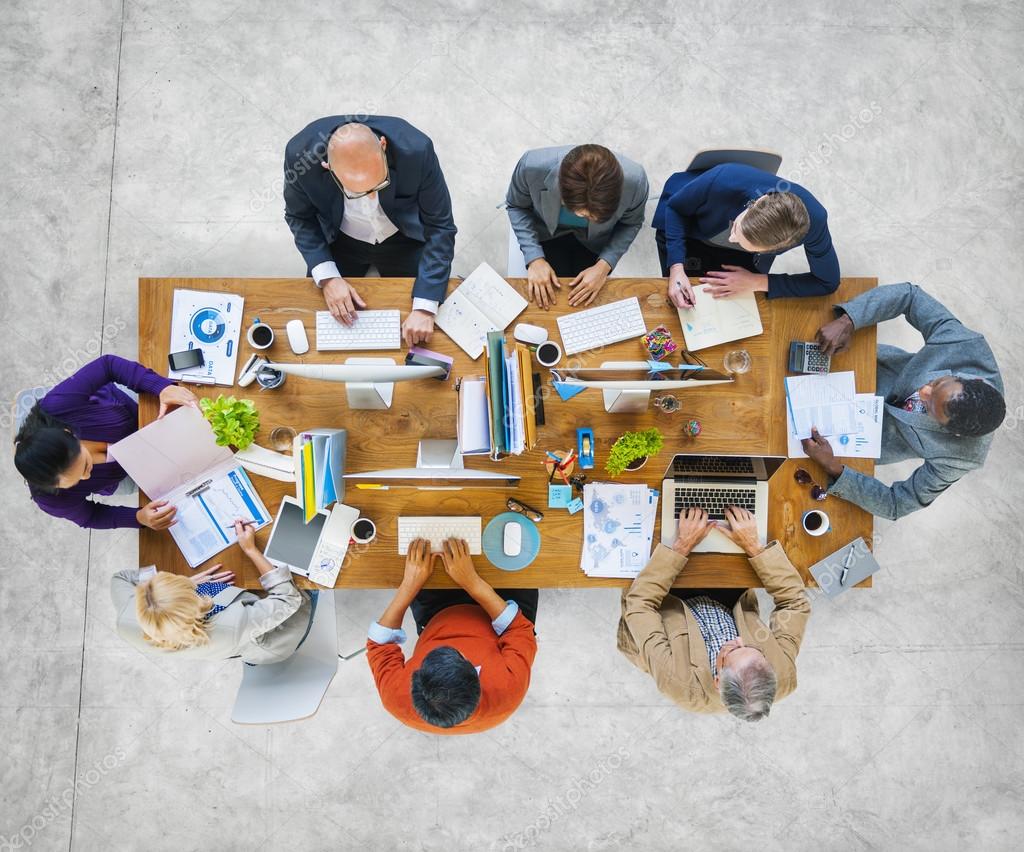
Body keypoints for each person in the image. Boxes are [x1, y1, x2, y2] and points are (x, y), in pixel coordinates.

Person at [803, 283, 1005, 520]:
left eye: (929, 408)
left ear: (954, 435)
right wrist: (849, 321)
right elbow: (910, 297)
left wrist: (834, 467)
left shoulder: (961, 458)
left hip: (850, 440)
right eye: (938, 382)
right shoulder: (968, 348)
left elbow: (896, 504)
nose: (923, 391)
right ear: (970, 377)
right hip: (864, 369)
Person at [617, 507, 810, 721]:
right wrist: (754, 547)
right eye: (754, 649)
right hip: (725, 600)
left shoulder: (679, 683)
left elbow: (640, 605)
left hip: (663, 604)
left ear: (718, 680)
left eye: (730, 652)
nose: (738, 640)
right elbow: (794, 603)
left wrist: (681, 547)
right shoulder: (782, 674)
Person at [283, 116, 457, 347]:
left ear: (383, 146)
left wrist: (425, 308)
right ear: (328, 167)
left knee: (427, 331)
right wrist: (328, 277)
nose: (372, 197)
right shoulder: (299, 157)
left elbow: (440, 227)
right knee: (320, 327)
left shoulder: (417, 150)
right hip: (340, 240)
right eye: (357, 192)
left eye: (380, 184)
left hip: (403, 239)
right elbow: (299, 217)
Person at [366, 538, 538, 734]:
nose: (452, 640)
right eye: (460, 654)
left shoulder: (395, 699)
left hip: (436, 614)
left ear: (414, 681)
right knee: (524, 551)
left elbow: (379, 645)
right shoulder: (508, 692)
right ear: (477, 680)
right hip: (504, 614)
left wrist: (410, 584)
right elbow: (518, 630)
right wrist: (472, 582)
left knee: (421, 556)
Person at [13, 355, 197, 530]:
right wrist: (138, 517)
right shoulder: (50, 499)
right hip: (127, 471)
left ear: (69, 432)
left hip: (133, 413)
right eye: (75, 481)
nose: (87, 477)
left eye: (85, 464)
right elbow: (90, 516)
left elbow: (108, 365)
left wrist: (161, 387)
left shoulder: (58, 406)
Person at [111, 520, 314, 663]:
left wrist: (183, 587)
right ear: (196, 600)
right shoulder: (231, 626)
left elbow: (120, 578)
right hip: (278, 636)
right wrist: (250, 550)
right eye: (184, 584)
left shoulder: (127, 618)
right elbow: (288, 598)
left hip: (227, 633)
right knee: (305, 581)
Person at [651, 163, 839, 308]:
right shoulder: (724, 177)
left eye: (744, 242)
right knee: (680, 297)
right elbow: (675, 208)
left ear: (781, 245)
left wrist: (758, 281)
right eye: (736, 228)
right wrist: (676, 267)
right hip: (693, 228)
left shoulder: (815, 222)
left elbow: (827, 282)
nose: (732, 239)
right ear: (757, 201)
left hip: (739, 257)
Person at [506, 144, 649, 309]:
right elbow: (516, 206)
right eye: (578, 211)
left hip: (595, 241)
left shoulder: (636, 181)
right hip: (547, 232)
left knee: (587, 304)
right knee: (548, 301)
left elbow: (631, 223)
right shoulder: (531, 166)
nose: (581, 216)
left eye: (590, 215)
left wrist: (604, 266)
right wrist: (534, 259)